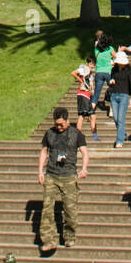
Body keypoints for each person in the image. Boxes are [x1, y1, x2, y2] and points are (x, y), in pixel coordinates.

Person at [38, 107, 88, 252]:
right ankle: (48, 239)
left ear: (67, 121)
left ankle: (69, 236)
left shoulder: (76, 134)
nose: (59, 127)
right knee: (47, 209)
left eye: (61, 124)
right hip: (51, 175)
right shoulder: (49, 133)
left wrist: (84, 168)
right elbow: (43, 152)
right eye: (56, 125)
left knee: (70, 210)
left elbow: (84, 152)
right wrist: (40, 171)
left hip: (69, 176)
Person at [107, 49, 131, 147]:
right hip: (114, 95)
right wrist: (111, 80)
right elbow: (111, 78)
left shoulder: (129, 70)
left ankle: (119, 141)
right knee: (116, 118)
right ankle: (124, 134)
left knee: (121, 118)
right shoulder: (114, 69)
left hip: (124, 95)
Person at [71, 59, 98, 141]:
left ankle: (95, 136)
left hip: (87, 95)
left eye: (94, 65)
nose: (93, 66)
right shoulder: (83, 69)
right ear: (88, 63)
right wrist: (80, 81)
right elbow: (73, 73)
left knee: (92, 116)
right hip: (83, 94)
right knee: (82, 116)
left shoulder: (90, 72)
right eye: (91, 64)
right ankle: (79, 137)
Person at [92, 31, 115, 111]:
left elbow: (96, 57)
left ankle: (91, 111)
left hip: (98, 72)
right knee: (113, 90)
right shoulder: (110, 48)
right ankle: (111, 110)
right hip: (108, 71)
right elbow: (116, 57)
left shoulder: (96, 50)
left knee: (96, 94)